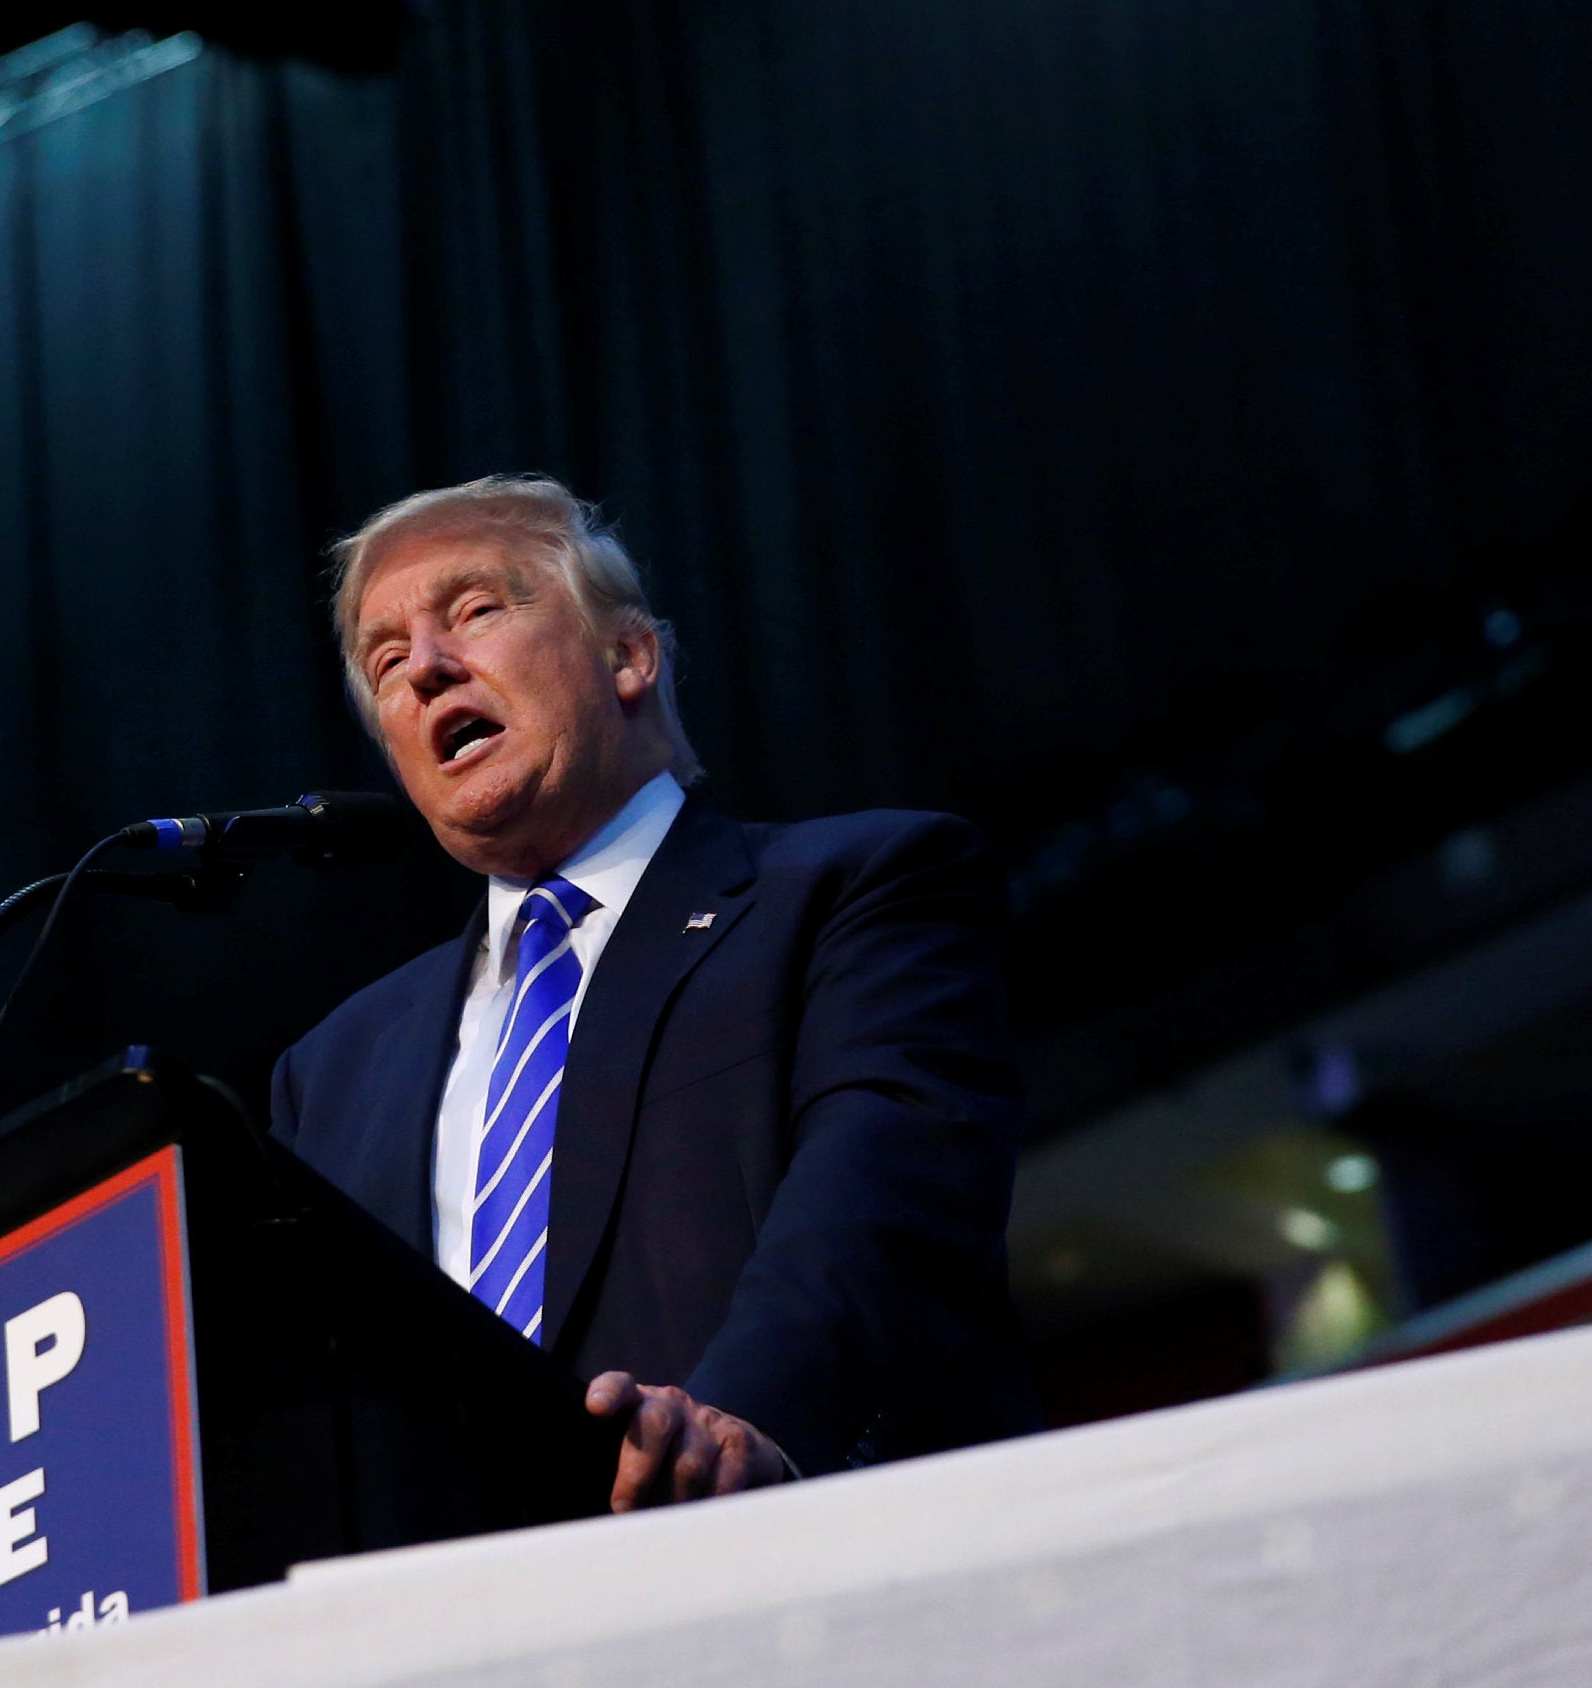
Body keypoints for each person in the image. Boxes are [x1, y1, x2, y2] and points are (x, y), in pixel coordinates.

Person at [270, 475, 1037, 1508]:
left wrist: (747, 1421)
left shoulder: (851, 890)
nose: (425, 668)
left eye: (475, 611)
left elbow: (882, 1200)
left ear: (627, 654)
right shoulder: (329, 1074)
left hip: (796, 1549)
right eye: (385, 658)